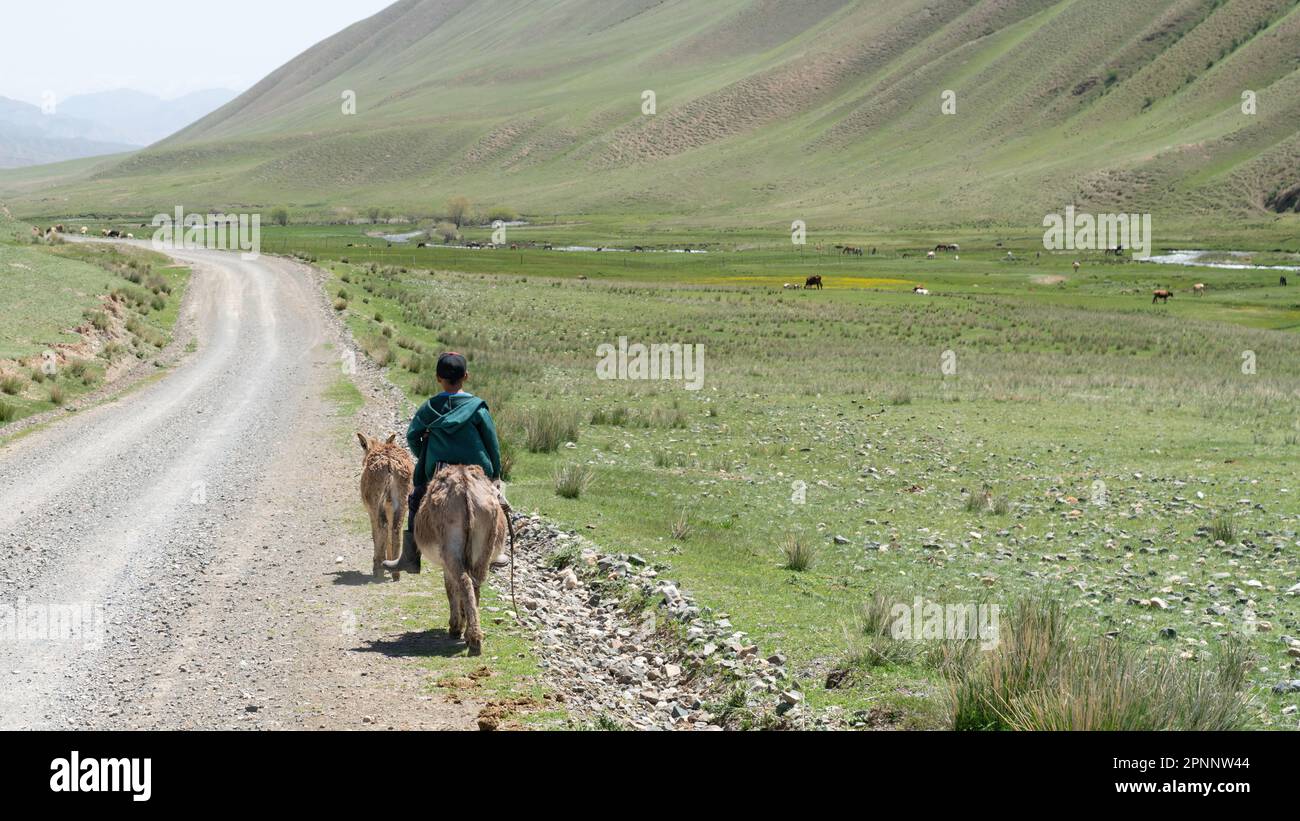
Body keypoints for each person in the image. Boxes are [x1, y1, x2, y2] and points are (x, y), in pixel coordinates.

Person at [384, 352, 506, 575]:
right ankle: (497, 550)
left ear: (438, 378)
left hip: (439, 469)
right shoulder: (478, 408)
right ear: (466, 376)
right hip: (477, 472)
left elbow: (412, 436)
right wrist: (496, 472)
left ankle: (410, 557)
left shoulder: (429, 409)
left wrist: (426, 454)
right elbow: (492, 442)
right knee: (497, 502)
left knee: (415, 499)